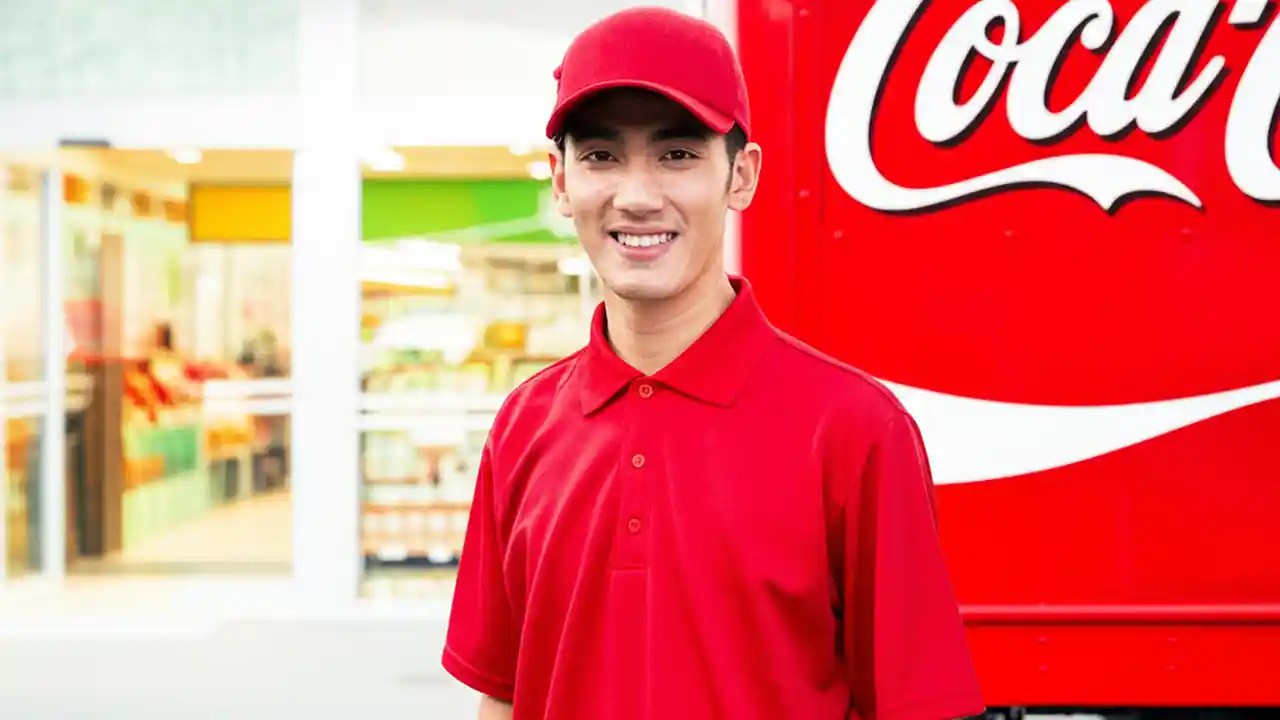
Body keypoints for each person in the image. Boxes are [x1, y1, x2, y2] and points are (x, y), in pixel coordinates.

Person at [443, 7, 984, 720]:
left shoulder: (855, 429)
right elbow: (503, 694)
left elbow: (917, 708)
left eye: (678, 154)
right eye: (601, 156)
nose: (638, 197)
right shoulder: (522, 427)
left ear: (742, 176)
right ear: (561, 181)